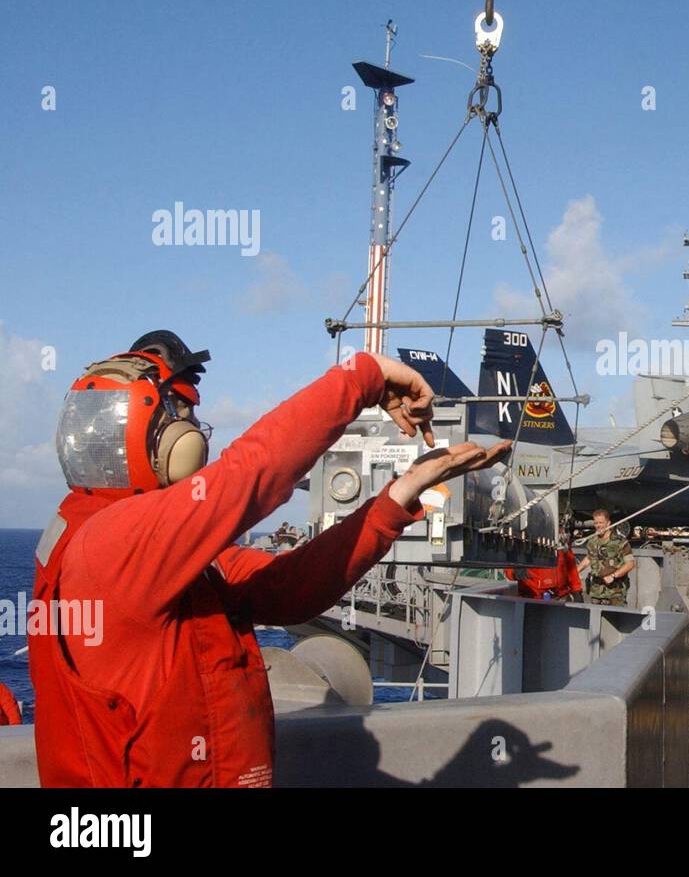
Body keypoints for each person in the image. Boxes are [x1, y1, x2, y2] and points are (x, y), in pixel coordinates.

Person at [30, 329, 510, 787]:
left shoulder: (139, 549)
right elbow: (251, 474)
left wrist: (398, 496)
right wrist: (362, 378)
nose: (196, 434)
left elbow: (287, 593)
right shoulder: (112, 547)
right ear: (150, 436)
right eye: (185, 419)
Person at [580, 509, 635, 606]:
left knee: (616, 619)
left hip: (615, 592)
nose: (598, 525)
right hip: (596, 591)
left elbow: (630, 563)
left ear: (608, 523)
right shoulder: (592, 542)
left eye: (601, 522)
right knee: (595, 619)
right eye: (596, 523)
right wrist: (576, 571)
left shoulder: (620, 542)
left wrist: (613, 576)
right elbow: (589, 558)